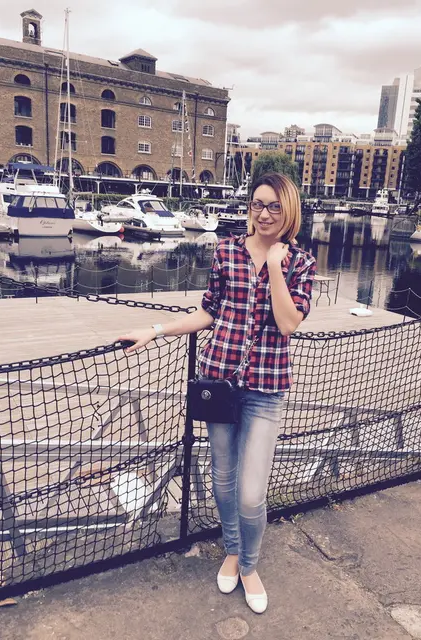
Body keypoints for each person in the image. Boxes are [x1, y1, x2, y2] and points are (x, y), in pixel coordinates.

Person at [118, 172, 316, 614]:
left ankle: (250, 565)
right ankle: (232, 550)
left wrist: (276, 269)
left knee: (251, 493)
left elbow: (288, 323)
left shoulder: (301, 262)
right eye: (258, 204)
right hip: (219, 381)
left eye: (274, 206)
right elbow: (208, 312)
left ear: (289, 210)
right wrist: (155, 330)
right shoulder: (227, 251)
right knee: (223, 478)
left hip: (266, 388)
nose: (264, 214)